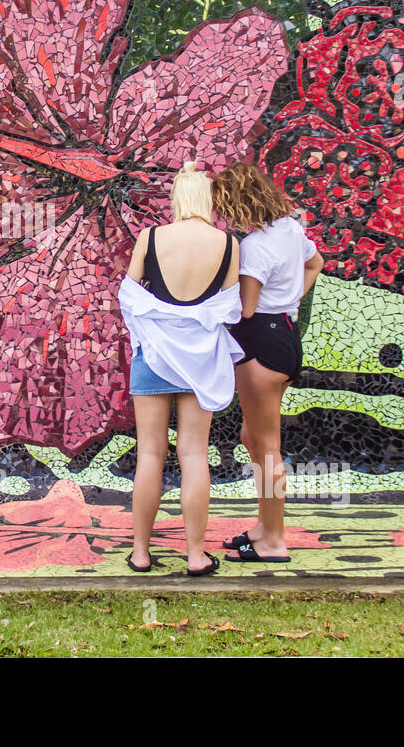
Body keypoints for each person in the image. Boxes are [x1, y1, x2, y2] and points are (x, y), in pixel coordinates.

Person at [117, 162, 243, 576]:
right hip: (201, 362)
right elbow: (228, 307)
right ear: (207, 200)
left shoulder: (151, 237)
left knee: (149, 453)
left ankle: (140, 552)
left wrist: (159, 325)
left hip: (153, 356)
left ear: (176, 198)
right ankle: (195, 554)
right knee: (194, 454)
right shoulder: (227, 244)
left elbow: (130, 295)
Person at [210, 163, 324, 564]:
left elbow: (246, 309)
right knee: (252, 438)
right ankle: (263, 527)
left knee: (268, 448)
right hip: (286, 335)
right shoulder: (290, 229)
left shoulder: (255, 248)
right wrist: (291, 298)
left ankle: (274, 540)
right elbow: (316, 263)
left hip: (259, 340)